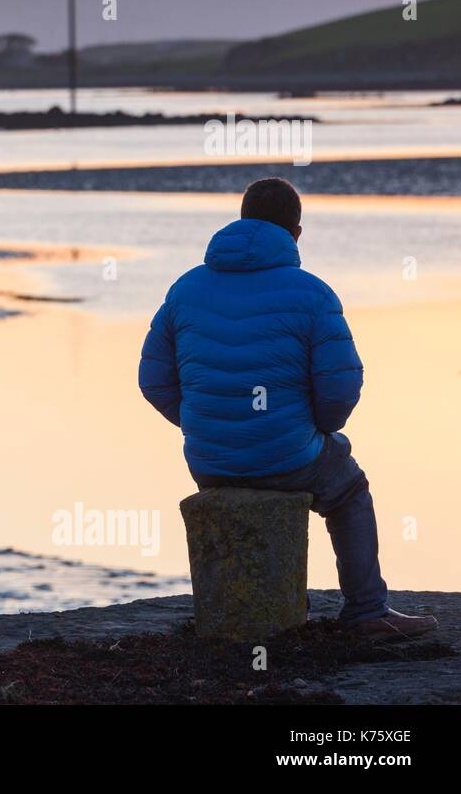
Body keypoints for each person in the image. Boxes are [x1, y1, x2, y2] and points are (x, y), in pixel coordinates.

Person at [139, 177, 436, 638]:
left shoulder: (185, 289)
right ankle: (366, 612)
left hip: (209, 461)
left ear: (240, 221)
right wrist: (318, 428)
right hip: (289, 458)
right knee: (349, 492)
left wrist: (203, 421)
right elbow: (340, 387)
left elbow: (153, 381)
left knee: (326, 467)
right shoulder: (312, 293)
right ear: (296, 233)